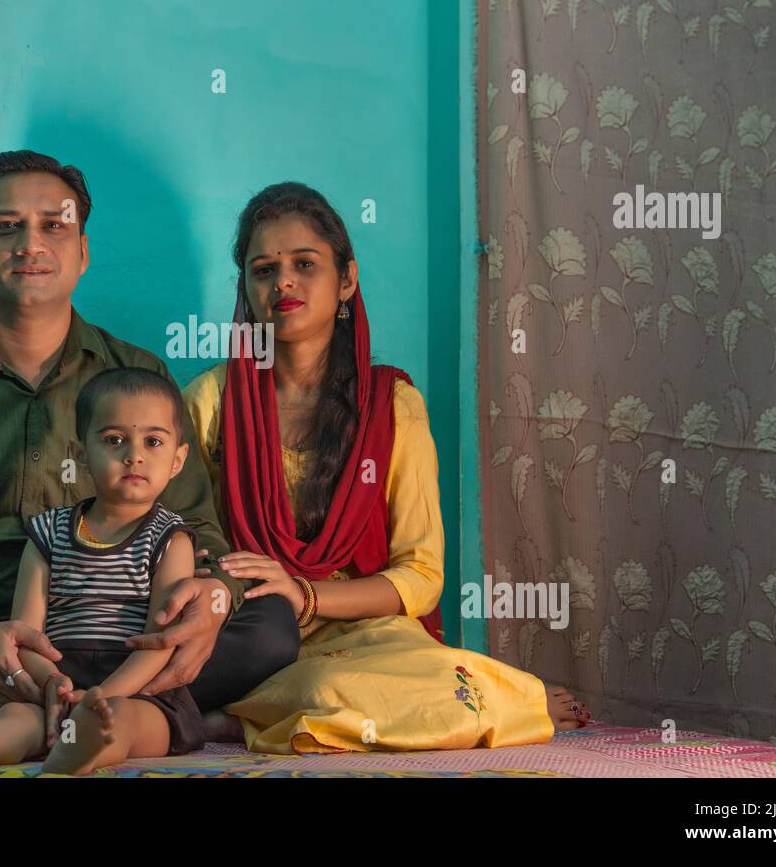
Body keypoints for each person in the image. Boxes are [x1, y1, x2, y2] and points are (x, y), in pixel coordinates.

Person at [0, 151, 300, 754]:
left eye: (54, 225)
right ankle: (107, 718)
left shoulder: (137, 374)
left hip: (123, 635)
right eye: (6, 227)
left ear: (83, 252)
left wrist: (213, 598)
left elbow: (200, 534)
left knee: (270, 630)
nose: (30, 244)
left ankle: (24, 725)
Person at [181, 182, 592, 754]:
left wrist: (308, 596)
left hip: (369, 635)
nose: (283, 283)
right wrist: (264, 599)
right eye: (263, 270)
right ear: (246, 291)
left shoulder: (391, 406)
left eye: (305, 264)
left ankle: (243, 717)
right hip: (254, 629)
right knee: (320, 684)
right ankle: (260, 708)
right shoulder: (210, 401)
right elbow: (181, 539)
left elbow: (421, 576)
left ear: (346, 280)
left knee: (418, 684)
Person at [0, 368, 208, 774]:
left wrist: (100, 696)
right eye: (114, 440)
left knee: (124, 721)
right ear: (82, 454)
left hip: (135, 686)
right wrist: (51, 682)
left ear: (177, 460)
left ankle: (81, 749)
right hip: (58, 678)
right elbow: (27, 632)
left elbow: (161, 642)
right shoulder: (49, 532)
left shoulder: (171, 539)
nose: (133, 455)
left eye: (152, 442)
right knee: (18, 719)